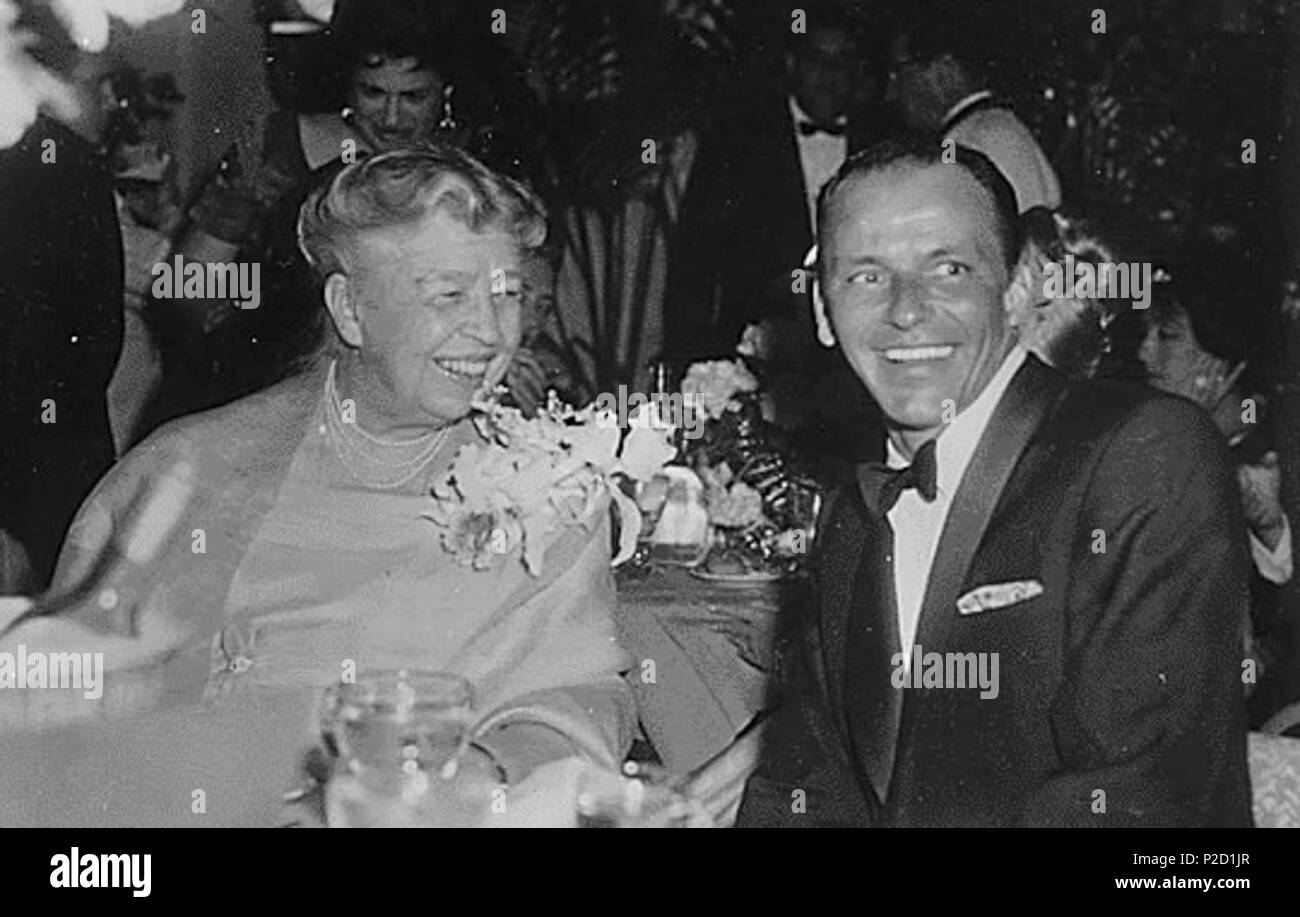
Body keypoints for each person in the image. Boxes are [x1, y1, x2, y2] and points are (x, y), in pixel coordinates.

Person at [0, 149, 635, 797]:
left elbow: (579, 691)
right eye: (449, 295)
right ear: (350, 309)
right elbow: (70, 713)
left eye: (508, 295)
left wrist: (482, 772)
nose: (490, 332)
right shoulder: (186, 470)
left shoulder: (549, 484)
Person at [736, 136, 1252, 827]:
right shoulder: (852, 520)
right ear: (825, 315)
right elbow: (810, 789)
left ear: (1017, 291)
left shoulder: (1145, 453)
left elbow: (1143, 803)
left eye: (948, 269)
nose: (907, 310)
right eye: (865, 277)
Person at [666, 1, 898, 363]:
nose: (829, 73)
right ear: (792, 64)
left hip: (858, 342)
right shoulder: (738, 140)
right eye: (817, 59)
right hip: (760, 345)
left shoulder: (884, 141)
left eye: (843, 60)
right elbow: (696, 256)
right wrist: (693, 355)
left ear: (858, 70)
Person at [1138, 252, 1293, 722]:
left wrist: (1270, 531)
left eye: (1167, 336)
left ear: (1223, 360)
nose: (1145, 352)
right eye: (1147, 333)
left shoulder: (1278, 455)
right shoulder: (1148, 447)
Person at [0, 19, 123, 594]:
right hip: (42, 469)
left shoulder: (51, 165)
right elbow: (91, 342)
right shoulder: (67, 167)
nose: (112, 102)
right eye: (98, 85)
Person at [887, 11, 1061, 212]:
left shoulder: (976, 138)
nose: (892, 93)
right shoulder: (991, 128)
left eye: (898, 72)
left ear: (944, 70)